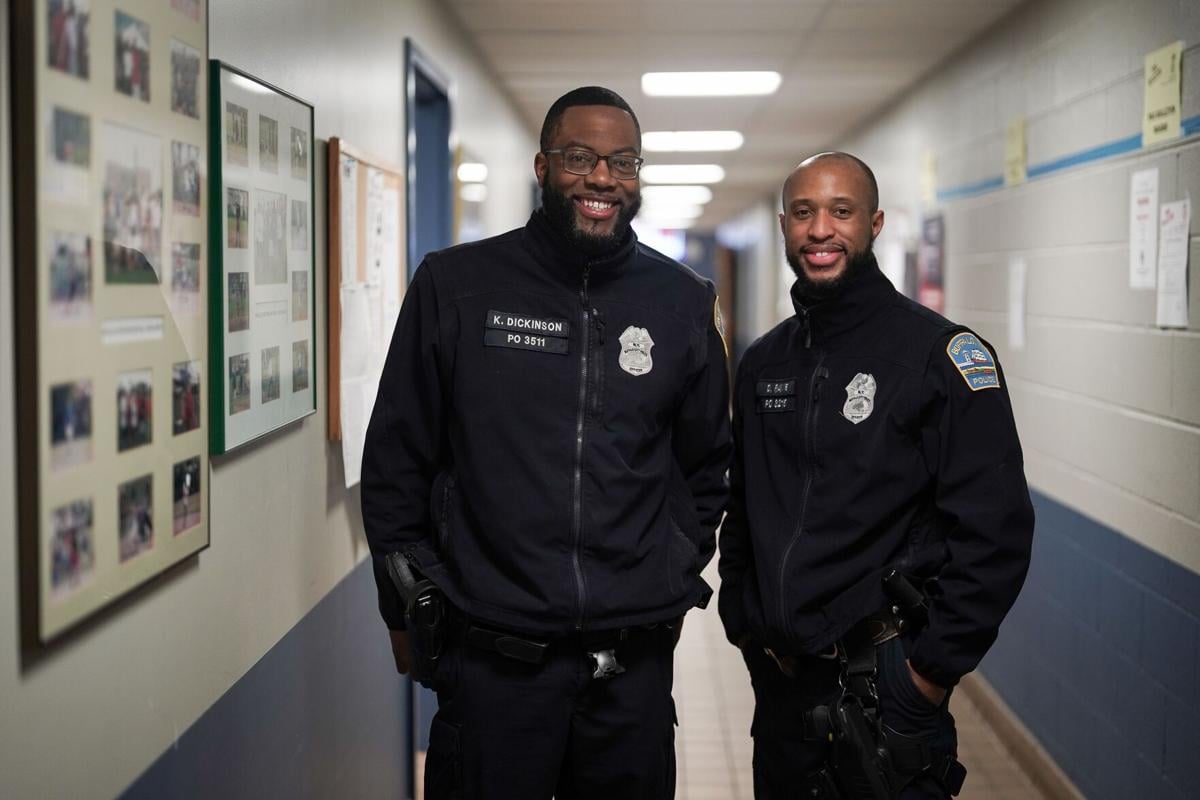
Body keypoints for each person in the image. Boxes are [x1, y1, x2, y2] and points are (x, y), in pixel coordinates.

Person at [362, 86, 731, 800]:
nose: (603, 178)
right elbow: (397, 463)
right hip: (493, 663)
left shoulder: (682, 302)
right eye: (579, 158)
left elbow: (707, 464)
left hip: (630, 671)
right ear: (542, 166)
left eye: (623, 162)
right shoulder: (457, 286)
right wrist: (406, 606)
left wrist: (667, 567)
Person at [718, 152, 1034, 799]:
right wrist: (742, 616)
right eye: (803, 212)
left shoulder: (938, 358)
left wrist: (927, 673)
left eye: (842, 211)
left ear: (875, 223)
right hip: (782, 694)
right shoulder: (764, 363)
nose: (820, 229)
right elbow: (744, 503)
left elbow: (996, 532)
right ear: (784, 225)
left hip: (883, 694)